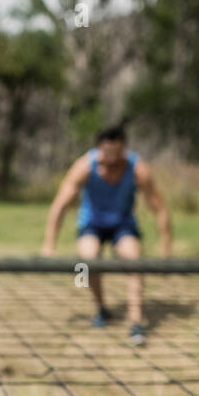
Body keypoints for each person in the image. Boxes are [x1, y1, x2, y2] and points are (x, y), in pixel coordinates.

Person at [42, 123, 171, 345]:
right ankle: (102, 308)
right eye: (107, 152)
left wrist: (166, 249)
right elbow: (60, 205)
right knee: (89, 259)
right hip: (92, 224)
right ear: (99, 149)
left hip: (123, 224)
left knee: (134, 260)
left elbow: (159, 209)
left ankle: (136, 322)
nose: (111, 158)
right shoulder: (84, 166)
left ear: (124, 149)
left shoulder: (137, 169)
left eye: (117, 152)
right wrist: (49, 245)